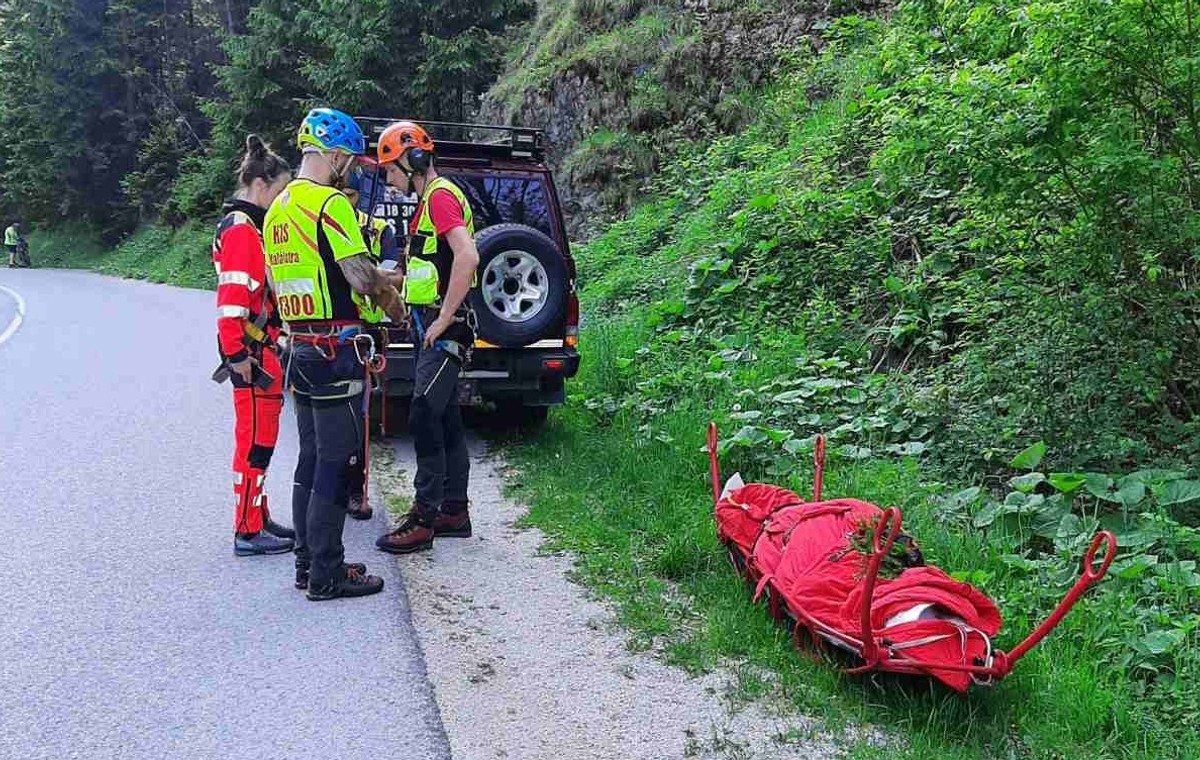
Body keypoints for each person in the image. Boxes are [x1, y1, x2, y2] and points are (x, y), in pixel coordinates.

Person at [263, 107, 404, 601]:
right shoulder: (329, 204)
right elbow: (361, 277)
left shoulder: (278, 208)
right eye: (348, 158)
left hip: (299, 346)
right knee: (337, 462)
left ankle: (307, 563)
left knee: (310, 456)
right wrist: (395, 300)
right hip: (335, 350)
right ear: (335, 154)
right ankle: (327, 572)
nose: (350, 167)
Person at [373, 120, 480, 555]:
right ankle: (454, 510)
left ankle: (424, 516)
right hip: (432, 323)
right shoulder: (428, 204)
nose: (389, 179)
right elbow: (424, 271)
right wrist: (379, 279)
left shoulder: (439, 197)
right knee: (445, 415)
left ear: (412, 158)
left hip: (444, 327)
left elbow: (467, 255)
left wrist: (444, 318)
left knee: (421, 410)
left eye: (391, 169)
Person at [213, 135, 297, 557]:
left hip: (259, 351)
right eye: (281, 191)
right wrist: (237, 355)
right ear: (261, 185)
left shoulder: (242, 227)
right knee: (255, 444)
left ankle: (258, 515)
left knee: (259, 441)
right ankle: (247, 529)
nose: (281, 200)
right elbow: (231, 302)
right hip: (252, 357)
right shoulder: (244, 231)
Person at [341, 166, 401, 521]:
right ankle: (336, 486)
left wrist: (368, 273)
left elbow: (393, 274)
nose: (345, 202)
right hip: (338, 327)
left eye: (350, 196)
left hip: (370, 331)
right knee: (341, 417)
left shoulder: (379, 230)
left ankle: (356, 491)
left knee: (363, 414)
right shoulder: (328, 224)